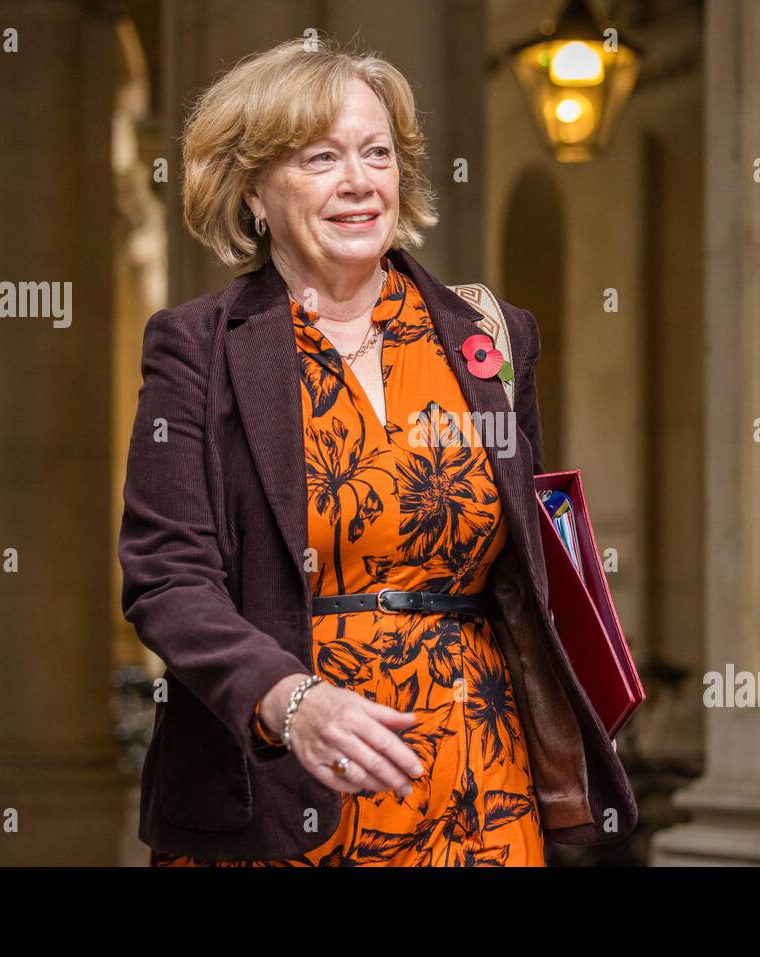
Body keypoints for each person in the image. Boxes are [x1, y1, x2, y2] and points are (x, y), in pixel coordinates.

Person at [119, 33, 636, 867]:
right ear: (252, 192)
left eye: (377, 153)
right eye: (321, 158)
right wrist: (290, 701)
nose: (359, 182)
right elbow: (166, 576)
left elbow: (525, 560)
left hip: (478, 774)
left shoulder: (490, 338)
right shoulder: (197, 348)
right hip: (285, 778)